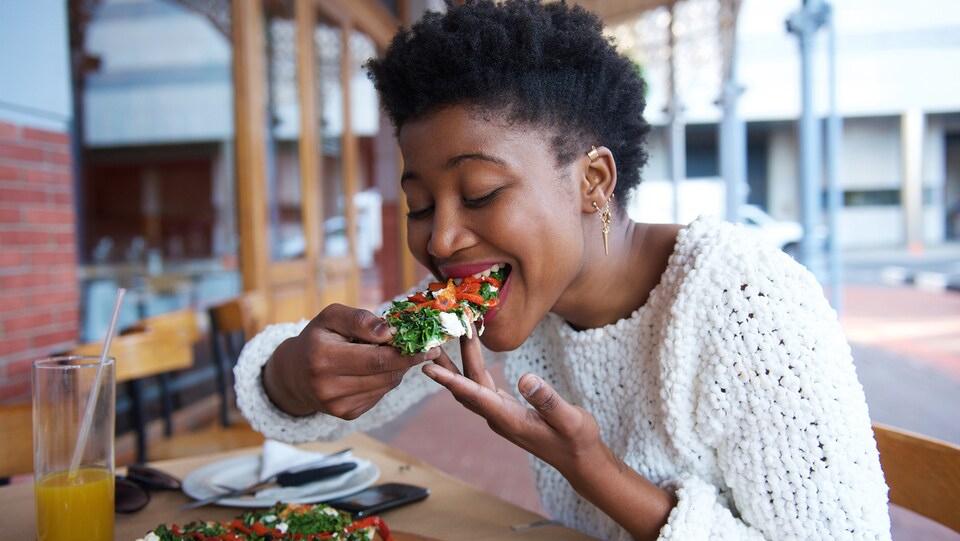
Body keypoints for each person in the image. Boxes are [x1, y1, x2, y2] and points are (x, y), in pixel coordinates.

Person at [234, 1, 891, 539]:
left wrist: (595, 470)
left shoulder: (750, 303)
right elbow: (292, 410)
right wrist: (299, 370)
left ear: (593, 181)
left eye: (483, 192)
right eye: (420, 205)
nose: (441, 237)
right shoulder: (500, 288)